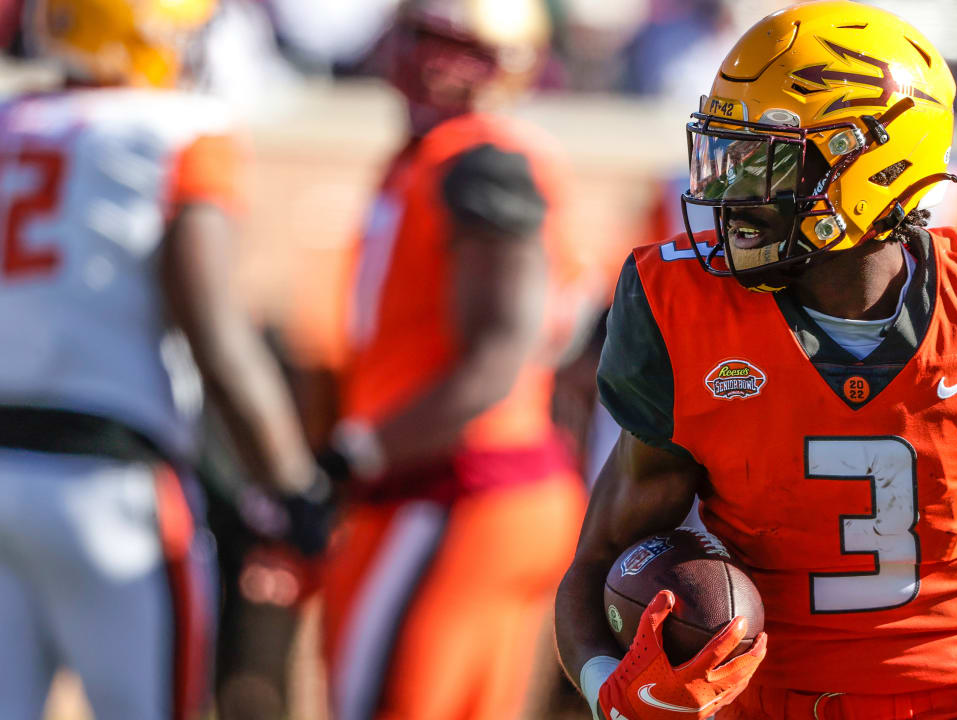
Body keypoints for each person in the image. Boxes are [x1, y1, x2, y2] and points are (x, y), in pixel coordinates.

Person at [555, 3, 957, 720]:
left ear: (870, 166)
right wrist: (613, 695)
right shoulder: (683, 307)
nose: (731, 189)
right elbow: (597, 565)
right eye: (729, 153)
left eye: (766, 157)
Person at [0, 1, 327, 719]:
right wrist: (296, 488)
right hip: (109, 483)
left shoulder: (10, 119)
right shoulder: (182, 131)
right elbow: (213, 330)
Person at [316, 2, 589, 719]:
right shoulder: (440, 158)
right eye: (424, 38)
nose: (432, 63)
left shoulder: (479, 158)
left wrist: (351, 458)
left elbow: (500, 353)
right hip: (474, 488)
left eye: (461, 48)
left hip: (457, 488)